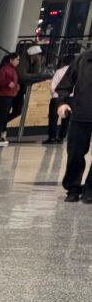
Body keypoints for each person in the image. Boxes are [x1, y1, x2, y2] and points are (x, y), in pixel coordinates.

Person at [55, 46, 92, 202]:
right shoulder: (83, 58)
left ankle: (90, 191)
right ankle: (73, 188)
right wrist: (62, 102)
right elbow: (65, 83)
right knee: (75, 154)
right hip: (81, 113)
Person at [0, 53, 20, 146]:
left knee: (3, 116)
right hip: (4, 96)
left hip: (9, 95)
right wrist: (7, 83)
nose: (18, 62)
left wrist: (15, 86)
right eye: (17, 59)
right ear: (11, 60)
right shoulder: (5, 69)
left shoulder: (11, 69)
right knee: (1, 116)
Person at [46, 54, 73, 145]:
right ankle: (61, 137)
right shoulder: (77, 73)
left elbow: (52, 86)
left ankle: (52, 137)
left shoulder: (59, 71)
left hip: (57, 97)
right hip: (70, 98)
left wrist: (54, 95)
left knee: (53, 117)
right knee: (66, 118)